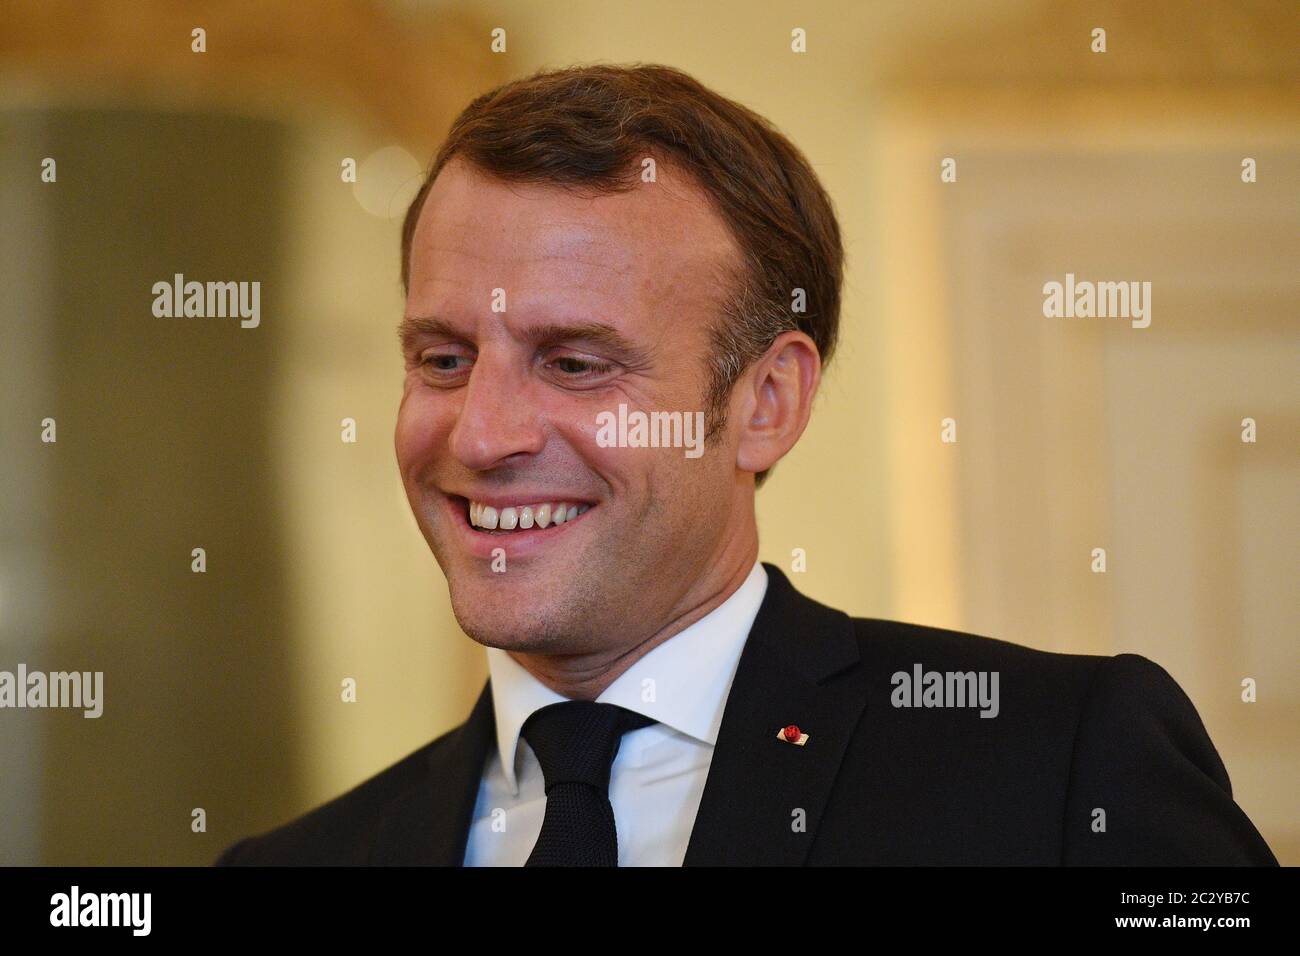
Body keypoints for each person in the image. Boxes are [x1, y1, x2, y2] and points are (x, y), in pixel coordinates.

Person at [215, 64, 1277, 866]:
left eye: (576, 363)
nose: (481, 435)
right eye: (442, 358)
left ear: (765, 403)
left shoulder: (1059, 768)